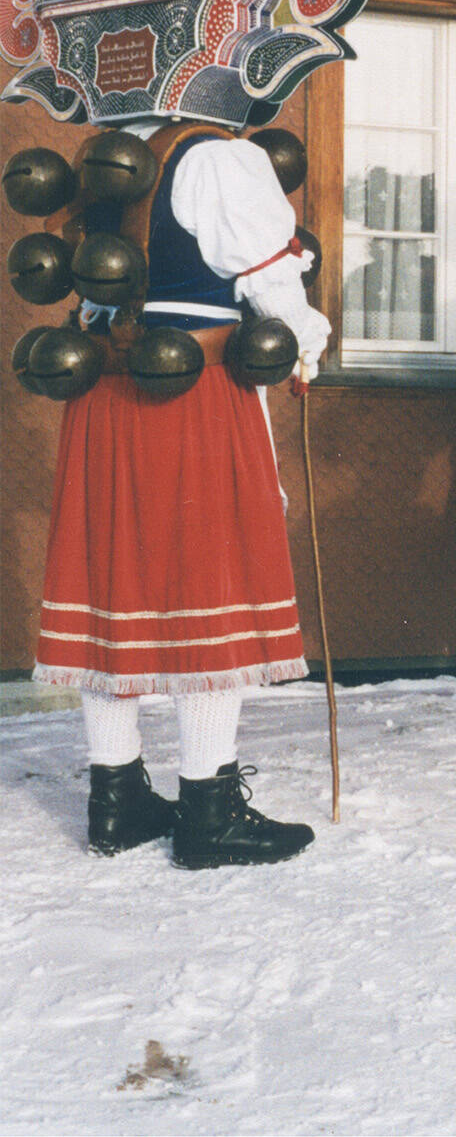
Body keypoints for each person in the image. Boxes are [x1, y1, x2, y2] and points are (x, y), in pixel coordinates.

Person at [33, 125, 329, 868]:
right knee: (210, 579)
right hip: (192, 392)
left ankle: (117, 799)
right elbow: (275, 292)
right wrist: (307, 343)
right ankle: (207, 811)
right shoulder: (221, 154)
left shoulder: (104, 154)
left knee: (114, 585)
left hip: (101, 392)